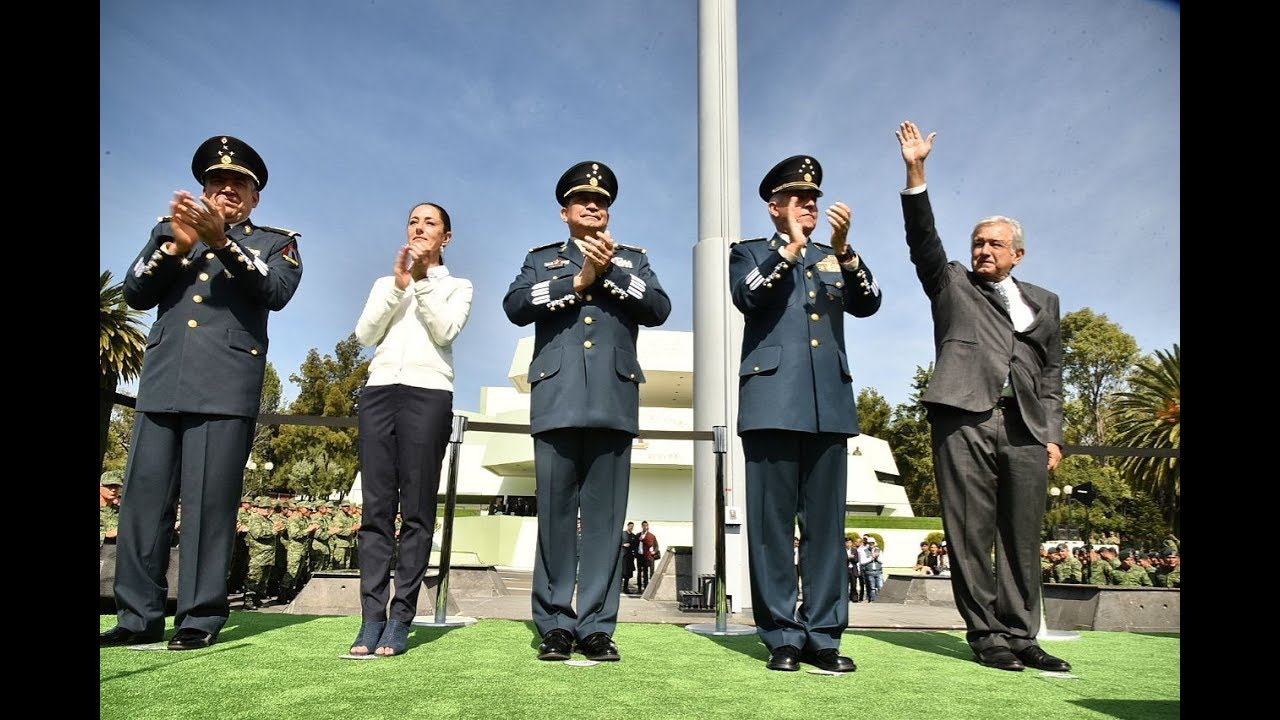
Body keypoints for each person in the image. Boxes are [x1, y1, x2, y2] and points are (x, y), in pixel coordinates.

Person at [101, 136, 303, 650]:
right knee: (144, 504)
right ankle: (136, 615)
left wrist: (221, 242)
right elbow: (135, 291)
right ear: (203, 188)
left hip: (224, 386)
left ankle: (199, 615)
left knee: (210, 506)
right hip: (164, 380)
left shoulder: (276, 242)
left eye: (239, 184)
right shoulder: (170, 233)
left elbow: (274, 292)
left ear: (255, 198)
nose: (227, 190)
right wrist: (177, 246)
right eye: (217, 182)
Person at [895, 120, 1069, 673]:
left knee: (1021, 536)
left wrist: (1054, 434)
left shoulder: (1045, 301)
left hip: (1026, 428)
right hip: (963, 418)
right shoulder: (952, 282)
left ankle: (1023, 636)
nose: (984, 249)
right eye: (978, 242)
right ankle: (987, 636)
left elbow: (1053, 373)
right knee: (969, 532)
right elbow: (924, 240)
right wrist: (916, 171)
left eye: (995, 243)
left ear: (1019, 253)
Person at [503, 160, 671, 662]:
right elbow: (514, 305)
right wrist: (577, 281)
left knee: (605, 521)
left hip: (614, 402)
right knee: (555, 516)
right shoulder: (541, 260)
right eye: (582, 200)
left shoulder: (634, 260)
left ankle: (597, 625)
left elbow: (659, 308)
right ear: (565, 213)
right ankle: (555, 623)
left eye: (601, 201)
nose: (593, 205)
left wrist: (610, 270)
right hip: (556, 398)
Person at [730, 155, 881, 674]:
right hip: (772, 403)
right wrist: (790, 247)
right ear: (775, 207)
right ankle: (781, 635)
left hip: (828, 407)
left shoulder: (833, 255)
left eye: (814, 197)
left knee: (825, 527)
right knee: (772, 527)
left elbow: (870, 302)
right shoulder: (748, 252)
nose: (810, 204)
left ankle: (824, 634)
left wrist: (845, 252)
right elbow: (747, 296)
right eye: (798, 198)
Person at [349, 202, 473, 657]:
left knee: (417, 510)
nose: (420, 229)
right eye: (413, 222)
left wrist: (420, 284)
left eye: (431, 223)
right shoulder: (387, 282)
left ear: (446, 237)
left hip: (428, 394)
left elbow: (445, 332)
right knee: (375, 510)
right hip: (379, 391)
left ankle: (402, 617)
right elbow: (363, 335)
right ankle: (370, 618)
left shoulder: (458, 285)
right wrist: (398, 285)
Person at [635, 520, 660, 592]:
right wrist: (635, 553)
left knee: (648, 572)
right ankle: (639, 588)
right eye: (644, 525)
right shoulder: (638, 535)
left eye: (646, 525)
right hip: (640, 556)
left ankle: (647, 588)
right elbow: (635, 544)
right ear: (642, 526)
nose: (645, 527)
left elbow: (656, 545)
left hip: (647, 556)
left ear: (648, 526)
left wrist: (654, 551)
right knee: (639, 572)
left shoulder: (651, 536)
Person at [100, 471, 124, 545]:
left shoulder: (121, 511)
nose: (113, 490)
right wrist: (105, 534)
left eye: (116, 486)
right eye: (109, 486)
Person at [621, 521, 638, 593]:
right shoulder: (622, 534)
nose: (631, 527)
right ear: (627, 526)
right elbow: (617, 542)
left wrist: (634, 554)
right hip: (623, 557)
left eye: (632, 526)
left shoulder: (633, 536)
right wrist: (623, 545)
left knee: (628, 574)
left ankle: (625, 588)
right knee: (621, 573)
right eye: (630, 526)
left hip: (630, 557)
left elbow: (635, 546)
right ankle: (618, 589)